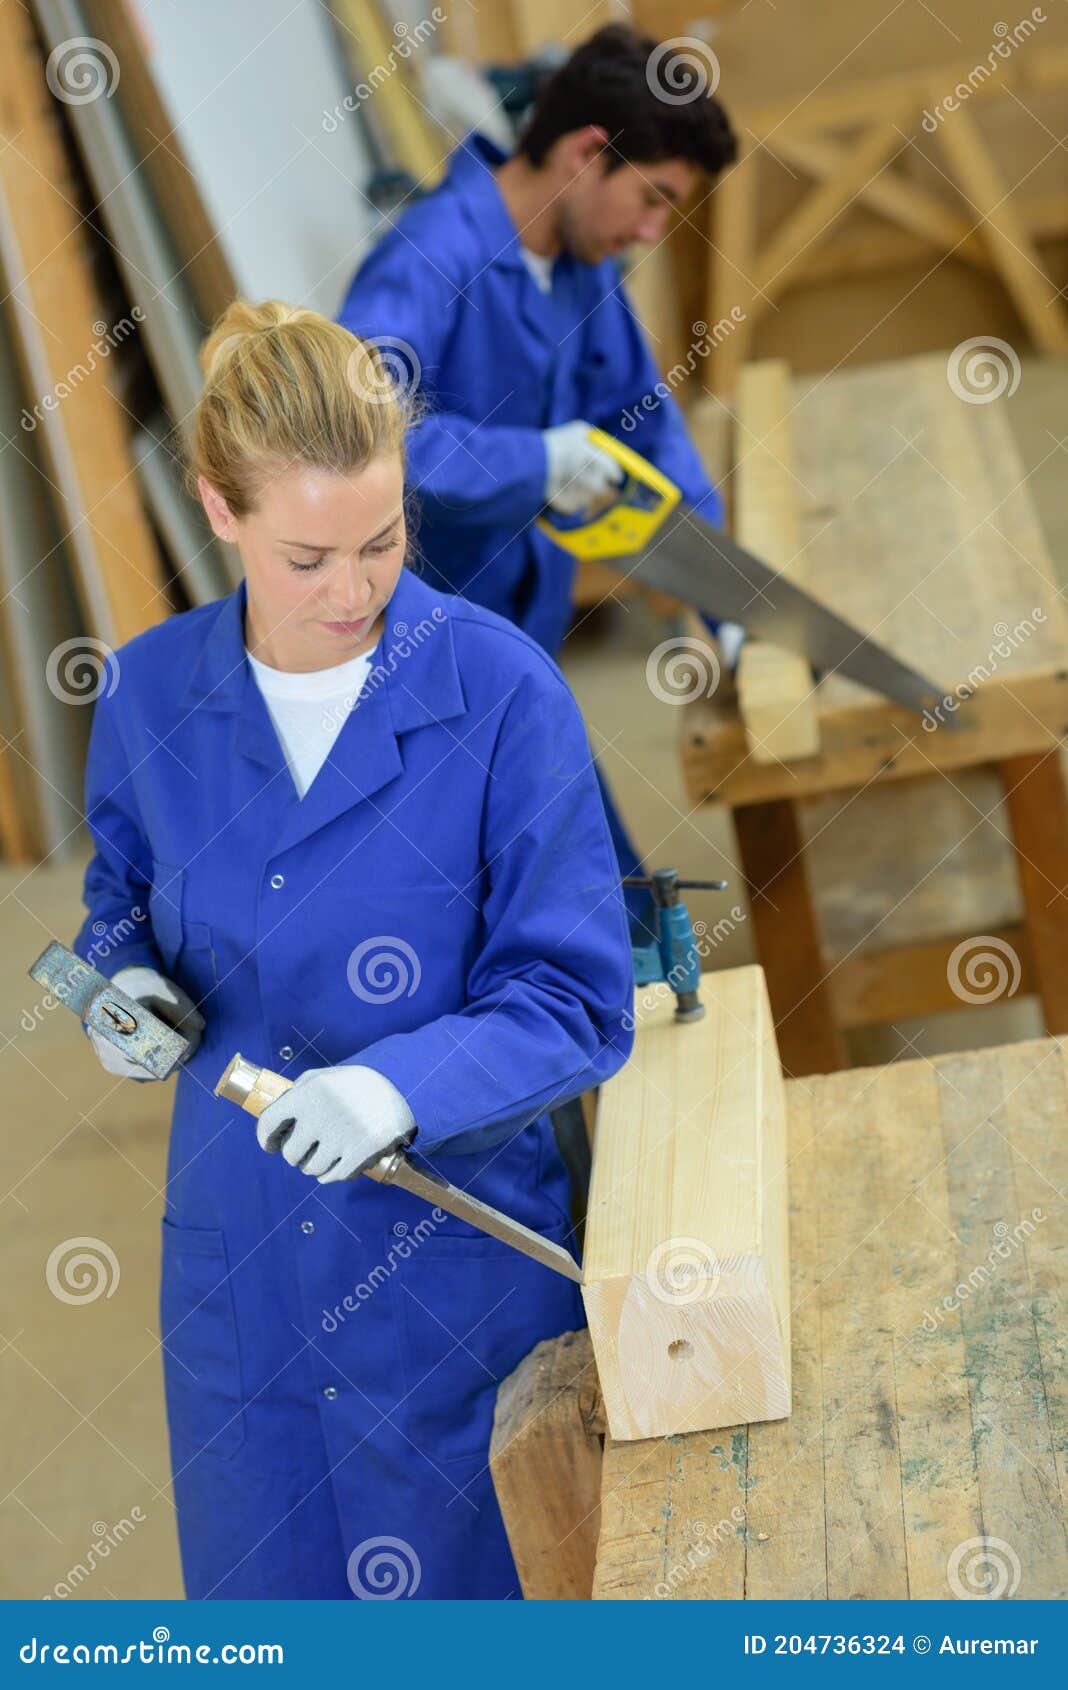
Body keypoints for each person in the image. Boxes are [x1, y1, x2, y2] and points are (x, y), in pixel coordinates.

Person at [71, 300, 634, 1600]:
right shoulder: (154, 692)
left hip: (442, 1271)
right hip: (240, 1264)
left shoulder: (498, 694)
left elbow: (574, 996)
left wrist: (399, 1087)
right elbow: (119, 897)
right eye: (308, 556)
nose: (355, 590)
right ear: (219, 511)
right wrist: (129, 983)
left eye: (383, 541)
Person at [338, 23, 740, 919]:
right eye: (652, 199)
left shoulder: (580, 269)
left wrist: (730, 592)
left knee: (607, 904)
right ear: (587, 153)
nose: (650, 230)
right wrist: (536, 461)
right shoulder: (425, 259)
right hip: (414, 672)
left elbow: (646, 424)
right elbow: (355, 448)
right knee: (581, 916)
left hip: (513, 655)